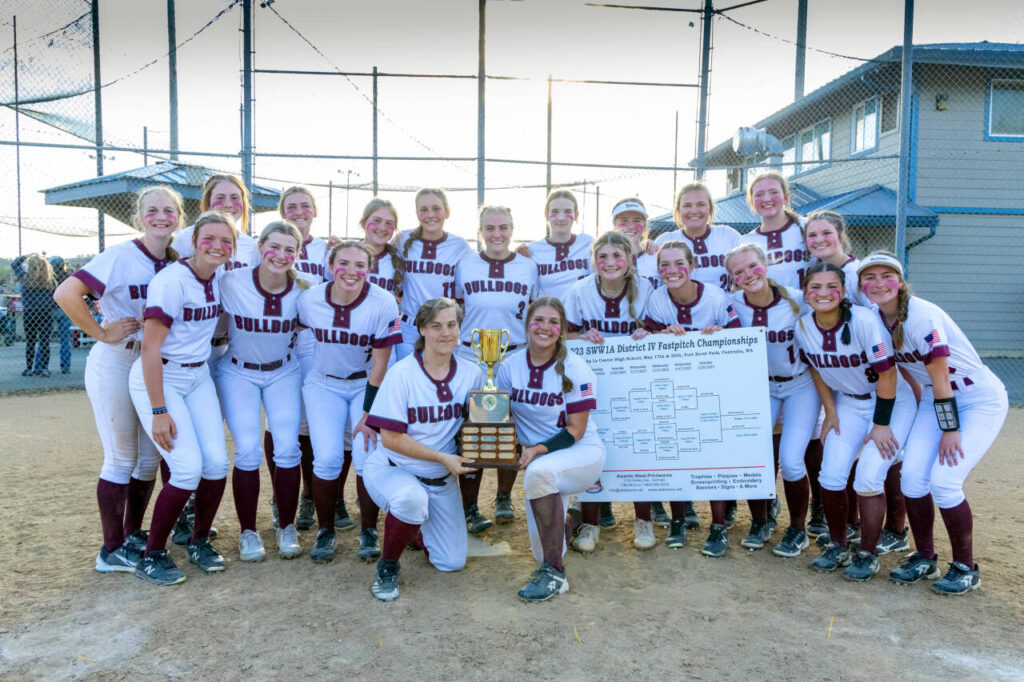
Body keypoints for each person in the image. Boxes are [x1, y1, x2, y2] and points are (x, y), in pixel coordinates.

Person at [858, 252, 1008, 594]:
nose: (878, 283)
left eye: (886, 275)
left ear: (900, 280)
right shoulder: (873, 318)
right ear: (861, 286)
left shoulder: (921, 315)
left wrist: (950, 429)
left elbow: (941, 380)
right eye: (870, 277)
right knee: (912, 478)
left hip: (975, 399)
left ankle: (966, 568)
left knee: (944, 481)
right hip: (935, 398)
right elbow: (910, 377)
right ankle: (924, 556)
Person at [53, 185, 182, 574]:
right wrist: (102, 332)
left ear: (179, 217)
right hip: (116, 359)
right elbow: (65, 293)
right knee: (121, 457)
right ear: (138, 217)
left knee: (148, 459)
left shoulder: (178, 261)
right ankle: (110, 550)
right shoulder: (120, 255)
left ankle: (132, 533)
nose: (160, 216)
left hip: (153, 365)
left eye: (169, 210)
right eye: (152, 210)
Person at [128, 211, 237, 585]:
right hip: (160, 377)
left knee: (217, 464)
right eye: (209, 238)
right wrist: (159, 410)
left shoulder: (220, 276)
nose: (217, 246)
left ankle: (199, 540)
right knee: (187, 467)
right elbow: (149, 351)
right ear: (193, 242)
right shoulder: (172, 281)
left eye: (226, 241)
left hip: (198, 374)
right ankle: (152, 553)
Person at [794, 261, 917, 581]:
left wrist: (881, 424)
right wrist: (830, 411)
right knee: (831, 475)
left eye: (831, 286)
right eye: (815, 288)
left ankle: (868, 552)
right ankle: (837, 545)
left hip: (890, 405)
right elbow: (817, 370)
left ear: (844, 291)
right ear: (805, 295)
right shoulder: (804, 325)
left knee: (867, 477)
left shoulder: (864, 320)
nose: (824, 293)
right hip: (848, 404)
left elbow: (888, 375)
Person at [363, 298, 485, 601]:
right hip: (395, 469)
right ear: (422, 329)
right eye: (436, 326)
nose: (446, 333)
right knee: (410, 498)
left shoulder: (473, 373)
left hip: (441, 481)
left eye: (452, 325)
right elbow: (390, 438)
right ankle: (388, 564)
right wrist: (443, 457)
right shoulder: (402, 373)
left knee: (451, 562)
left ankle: (413, 529)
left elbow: (480, 426)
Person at [297, 240, 401, 563]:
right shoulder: (310, 299)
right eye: (343, 263)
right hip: (323, 383)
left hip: (365, 385)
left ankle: (368, 530)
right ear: (330, 266)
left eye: (360, 265)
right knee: (327, 458)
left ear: (369, 270)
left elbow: (380, 367)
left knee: (366, 455)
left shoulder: (382, 301)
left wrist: (369, 414)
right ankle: (325, 530)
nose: (351, 271)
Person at [495, 297, 605, 602]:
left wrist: (537, 450)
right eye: (538, 320)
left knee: (539, 472)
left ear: (563, 329)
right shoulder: (510, 365)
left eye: (554, 322)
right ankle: (566, 522)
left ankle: (555, 574)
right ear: (527, 323)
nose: (545, 327)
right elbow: (504, 416)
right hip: (541, 458)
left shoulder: (575, 367)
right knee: (540, 547)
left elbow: (576, 430)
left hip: (581, 454)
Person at [215, 221, 308, 561]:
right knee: (248, 451)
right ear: (259, 247)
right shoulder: (232, 280)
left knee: (286, 449)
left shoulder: (304, 289)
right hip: (238, 372)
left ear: (297, 255)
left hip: (284, 371)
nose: (280, 255)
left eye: (290, 249)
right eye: (274, 246)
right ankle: (248, 532)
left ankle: (286, 525)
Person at [644, 241, 741, 549]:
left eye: (678, 263)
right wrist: (659, 335)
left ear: (693, 265)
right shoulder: (657, 298)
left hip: (714, 383)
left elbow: (739, 339)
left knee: (715, 451)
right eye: (664, 265)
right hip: (674, 384)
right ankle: (678, 519)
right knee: (675, 447)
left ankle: (717, 524)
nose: (671, 270)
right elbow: (648, 341)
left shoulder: (714, 296)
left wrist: (719, 334)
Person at [725, 244, 817, 559]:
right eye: (739, 272)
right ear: (733, 279)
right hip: (759, 386)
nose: (747, 275)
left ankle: (797, 529)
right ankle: (761, 521)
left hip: (799, 385)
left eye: (753, 266)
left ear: (765, 265)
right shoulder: (731, 303)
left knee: (791, 460)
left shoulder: (797, 300)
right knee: (754, 454)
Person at [565, 230, 653, 551]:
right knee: (592, 445)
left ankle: (643, 520)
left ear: (630, 260)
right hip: (593, 379)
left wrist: (652, 332)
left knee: (639, 445)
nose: (610, 262)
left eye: (618, 256)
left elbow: (662, 330)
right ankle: (590, 523)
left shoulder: (647, 289)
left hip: (636, 379)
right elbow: (563, 334)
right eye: (603, 256)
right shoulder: (579, 291)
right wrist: (581, 338)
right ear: (594, 261)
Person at [453, 205, 539, 534]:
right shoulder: (465, 264)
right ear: (480, 231)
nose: (497, 234)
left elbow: (533, 308)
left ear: (513, 228)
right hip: (472, 357)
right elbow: (457, 305)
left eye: (503, 227)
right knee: (473, 430)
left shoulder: (528, 267)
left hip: (514, 354)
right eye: (489, 228)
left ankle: (503, 496)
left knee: (511, 428)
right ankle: (469, 506)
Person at [395, 188, 473, 360]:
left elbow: (477, 273)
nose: (430, 214)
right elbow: (377, 250)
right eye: (424, 209)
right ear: (417, 213)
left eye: (436, 208)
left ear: (447, 212)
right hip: (410, 329)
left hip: (443, 330)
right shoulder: (403, 239)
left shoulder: (459, 245)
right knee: (409, 382)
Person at [654, 181, 741, 291]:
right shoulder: (665, 240)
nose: (694, 211)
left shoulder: (728, 235)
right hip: (678, 307)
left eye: (701, 204)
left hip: (723, 307)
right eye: (687, 205)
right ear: (678, 210)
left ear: (710, 208)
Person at [737, 171, 810, 290]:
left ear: (786, 197)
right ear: (752, 201)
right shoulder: (746, 242)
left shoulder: (808, 227)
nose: (766, 199)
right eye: (759, 194)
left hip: (810, 307)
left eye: (774, 192)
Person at [171, 173, 260, 270]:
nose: (228, 204)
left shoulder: (252, 246)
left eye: (234, 198)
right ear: (208, 204)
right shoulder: (185, 238)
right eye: (220, 198)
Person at [520, 189, 593, 300]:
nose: (561, 217)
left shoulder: (588, 243)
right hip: (549, 315)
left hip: (581, 314)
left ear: (576, 215)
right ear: (546, 214)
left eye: (568, 211)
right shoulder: (532, 250)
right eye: (554, 212)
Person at [12, 253, 56, 377]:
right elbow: (55, 296)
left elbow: (14, 264)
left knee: (30, 341)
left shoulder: (25, 277)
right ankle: (44, 369)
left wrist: (26, 256)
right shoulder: (50, 281)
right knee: (44, 341)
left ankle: (29, 368)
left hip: (30, 312)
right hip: (46, 312)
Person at [610, 197, 660, 289]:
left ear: (644, 225)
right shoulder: (605, 258)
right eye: (624, 221)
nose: (631, 226)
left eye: (637, 220)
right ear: (614, 225)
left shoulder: (655, 257)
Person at [42, 256, 73, 374]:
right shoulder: (68, 278)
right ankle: (65, 367)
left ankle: (40, 366)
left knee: (44, 339)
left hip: (50, 309)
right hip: (64, 308)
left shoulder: (47, 278)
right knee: (65, 339)